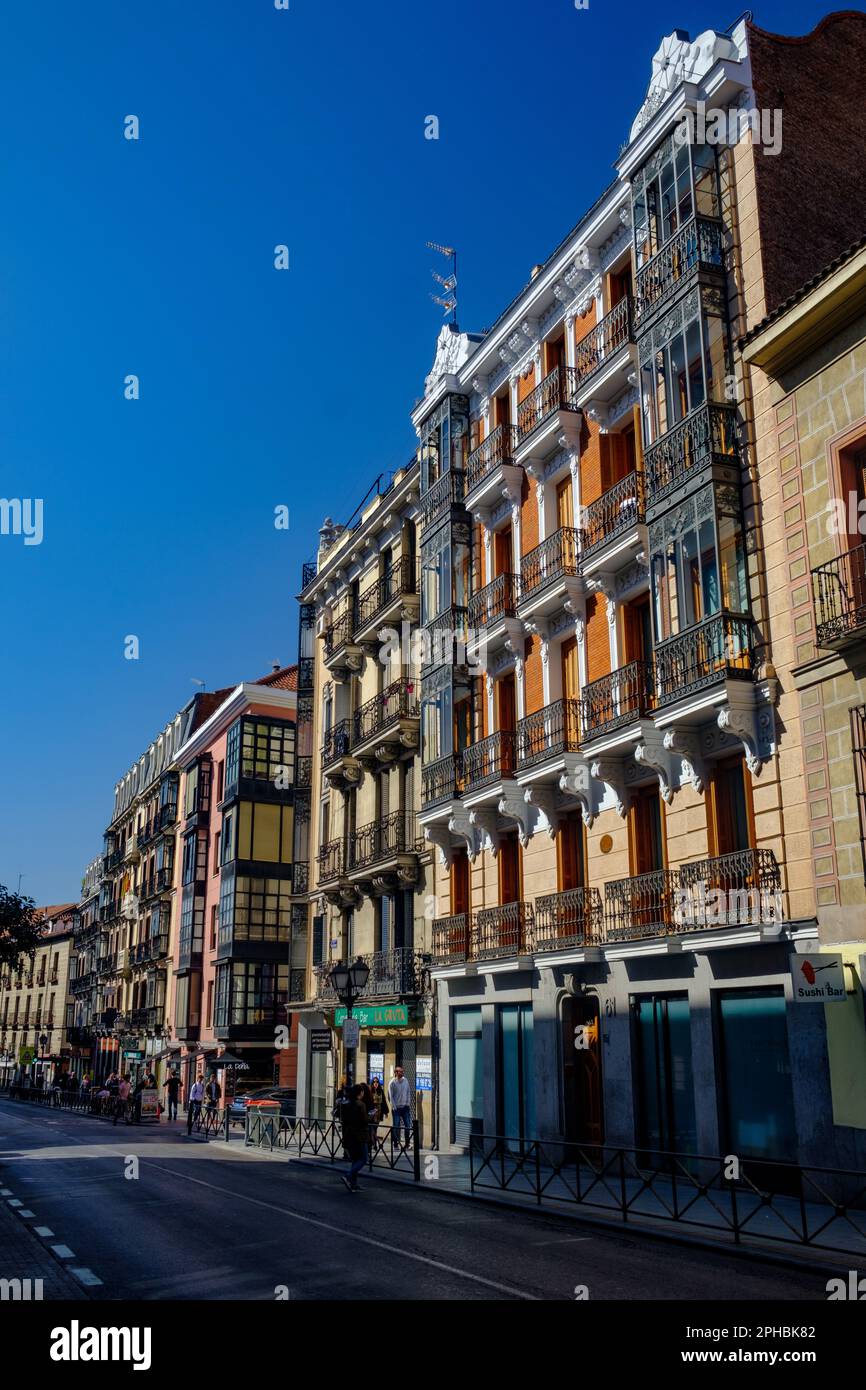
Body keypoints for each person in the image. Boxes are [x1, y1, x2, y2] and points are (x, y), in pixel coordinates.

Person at [339, 1084, 370, 1193]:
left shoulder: (346, 1104)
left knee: (355, 1159)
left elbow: (343, 1120)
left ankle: (354, 1184)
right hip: (360, 1135)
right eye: (362, 1092)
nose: (363, 1093)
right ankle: (348, 1176)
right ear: (359, 1093)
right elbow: (364, 1121)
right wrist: (370, 1116)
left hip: (349, 1135)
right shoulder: (361, 1105)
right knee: (363, 1159)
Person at [388, 1066, 412, 1148]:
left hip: (405, 1107)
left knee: (407, 1125)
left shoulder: (406, 1081)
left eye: (402, 1071)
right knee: (396, 1126)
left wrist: (408, 1103)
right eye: (400, 1071)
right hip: (396, 1108)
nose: (402, 1073)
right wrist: (394, 1107)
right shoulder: (392, 1083)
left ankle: (407, 1143)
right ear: (396, 1072)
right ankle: (395, 1143)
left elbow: (408, 1092)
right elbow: (390, 1097)